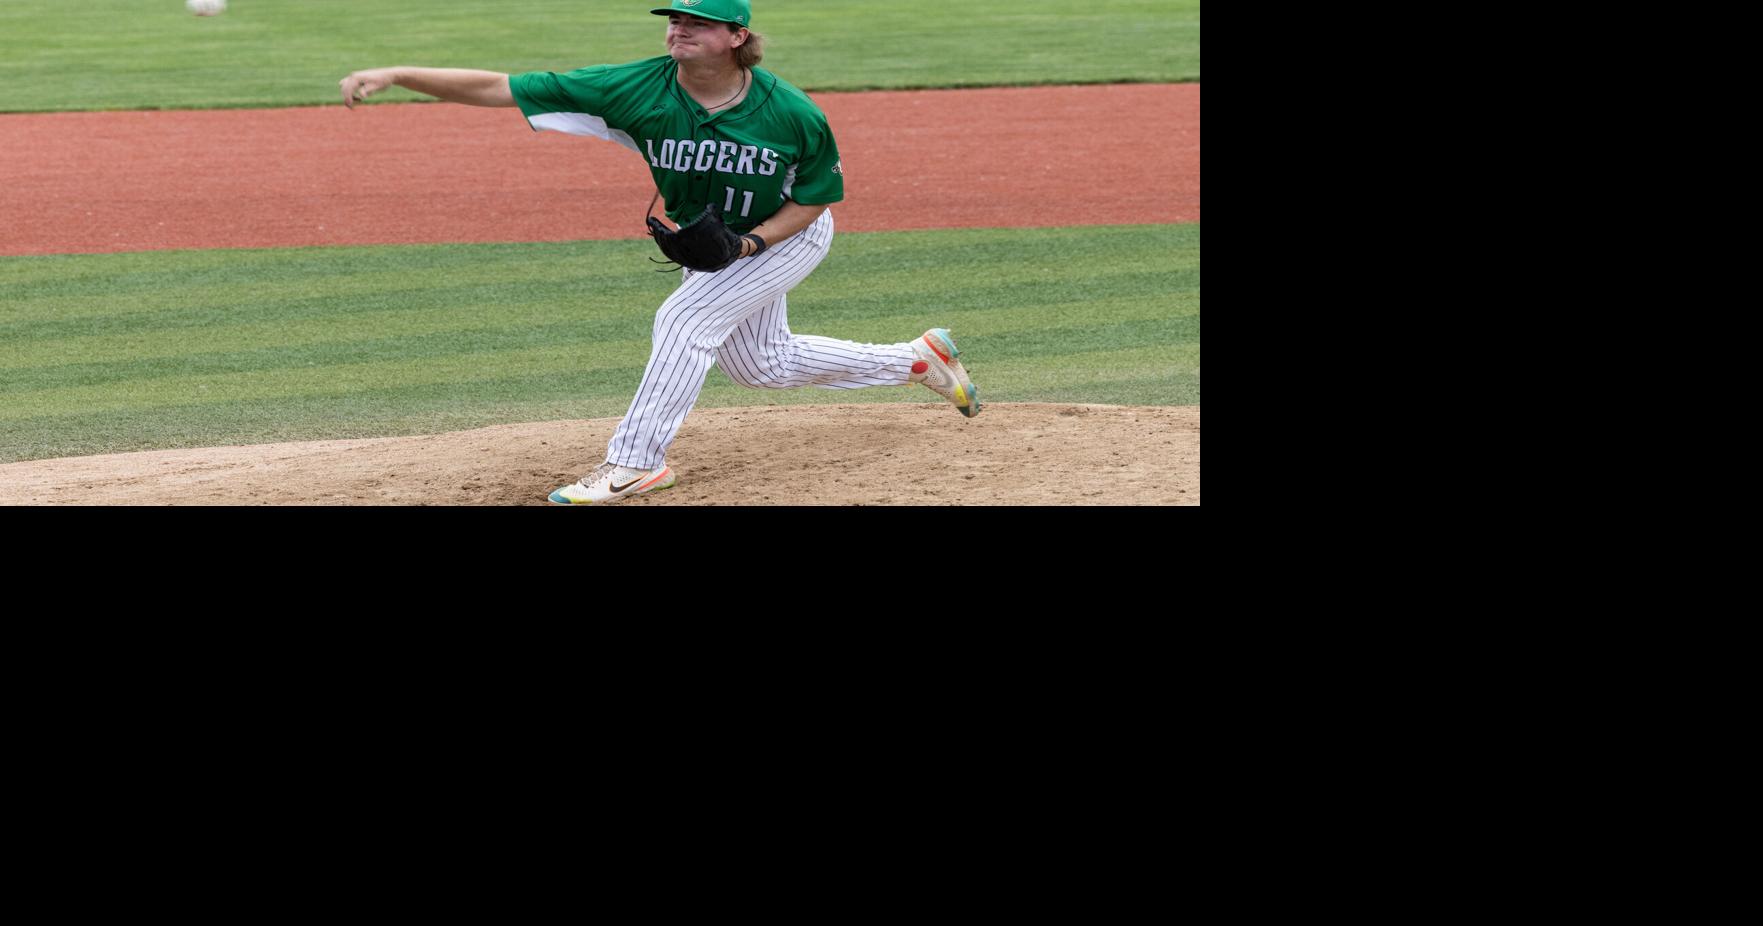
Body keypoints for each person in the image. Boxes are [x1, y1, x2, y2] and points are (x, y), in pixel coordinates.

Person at [340, 0, 979, 505]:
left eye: (697, 21)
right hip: (729, 244)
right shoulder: (633, 88)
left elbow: (814, 198)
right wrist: (398, 74)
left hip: (786, 235)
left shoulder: (789, 113)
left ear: (736, 36)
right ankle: (917, 362)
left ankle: (636, 464)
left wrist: (751, 243)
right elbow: (500, 87)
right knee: (761, 366)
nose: (679, 28)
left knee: (684, 320)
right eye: (675, 19)